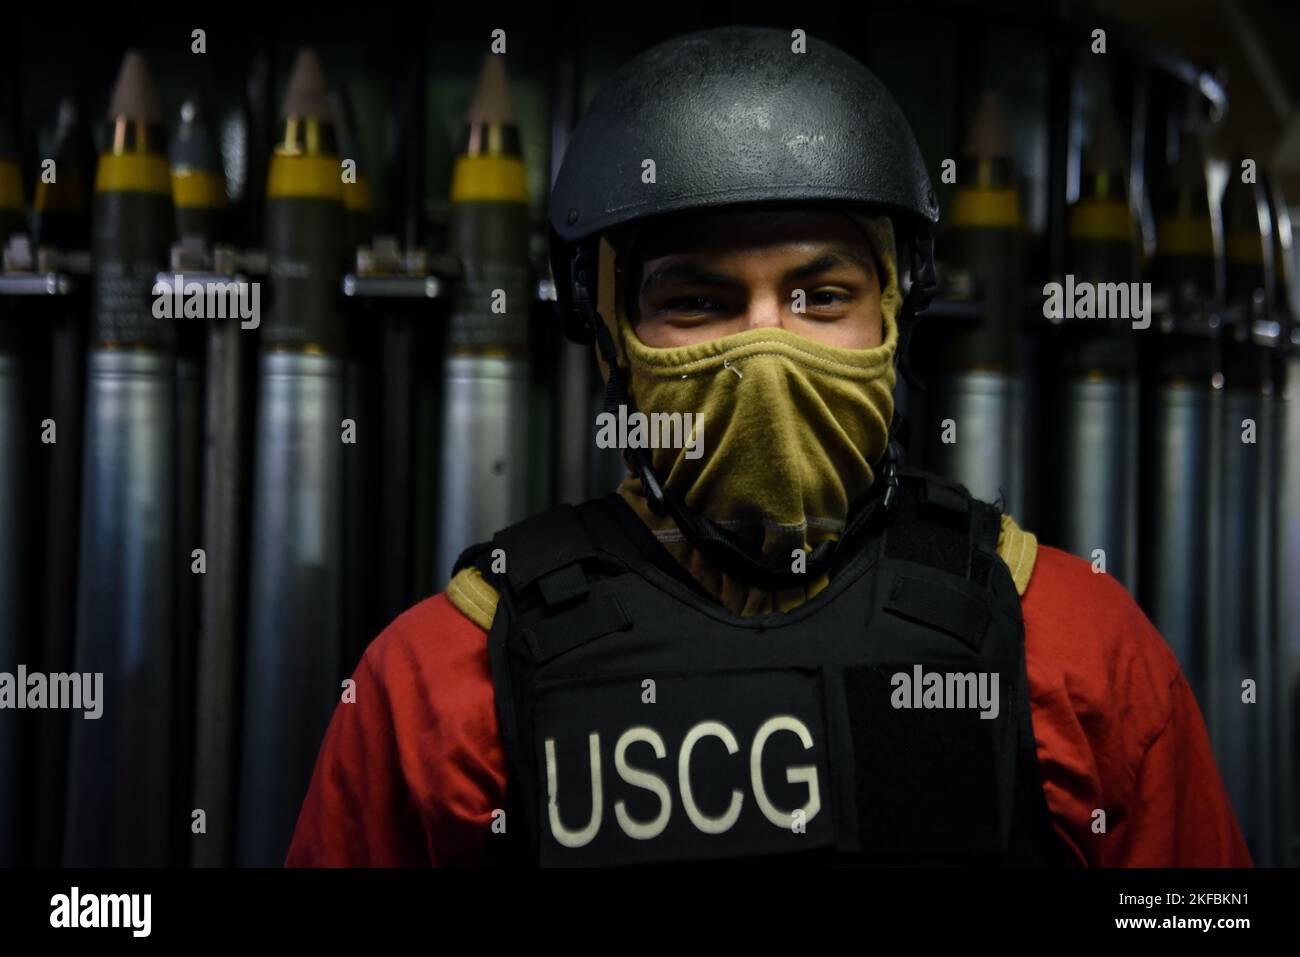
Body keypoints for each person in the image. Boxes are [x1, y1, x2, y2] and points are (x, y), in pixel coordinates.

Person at [286, 25, 1250, 867]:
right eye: (698, 302)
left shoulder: (1076, 652)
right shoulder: (442, 682)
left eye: (820, 297)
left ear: (894, 317)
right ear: (612, 333)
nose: (766, 350)